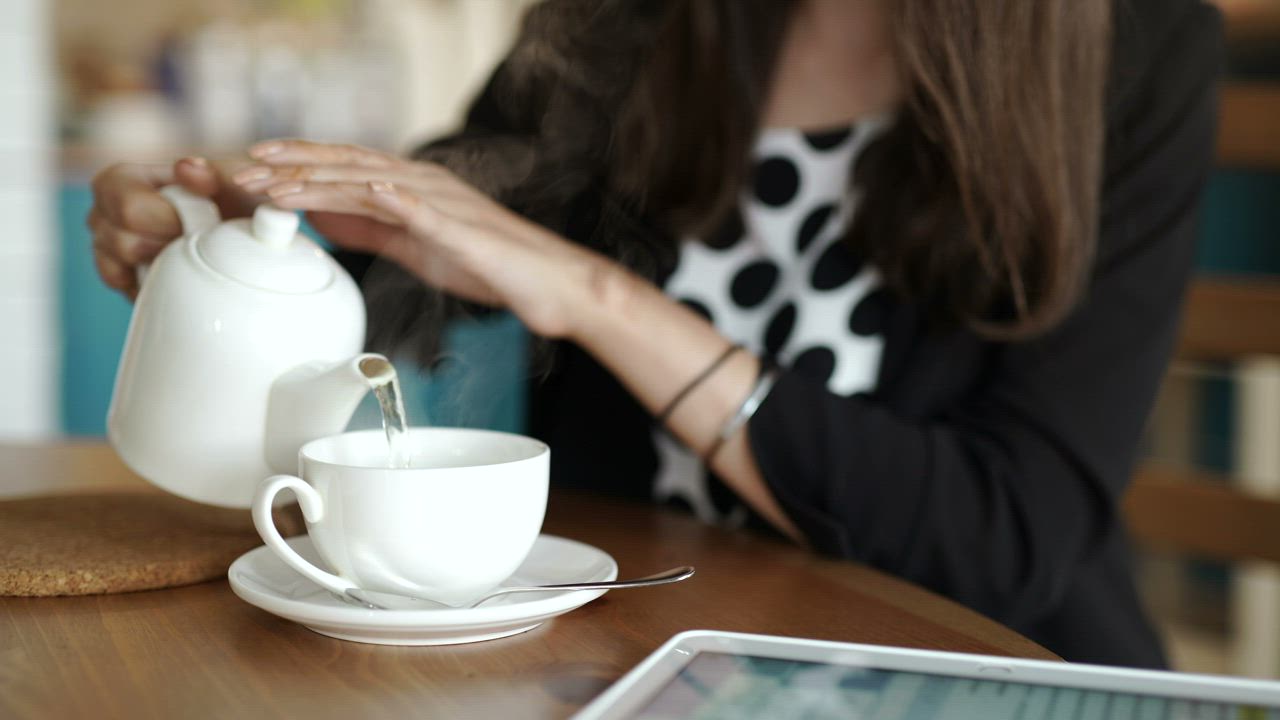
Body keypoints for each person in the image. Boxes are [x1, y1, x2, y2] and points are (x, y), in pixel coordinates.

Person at [87, 0, 1223, 667]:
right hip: (653, 656)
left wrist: (598, 299)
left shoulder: (1128, 44)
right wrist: (241, 251)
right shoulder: (629, 23)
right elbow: (445, 253)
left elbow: (1009, 534)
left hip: (971, 667)